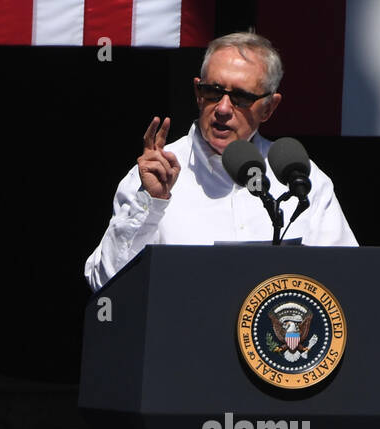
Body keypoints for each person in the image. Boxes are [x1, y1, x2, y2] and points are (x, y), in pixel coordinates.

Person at [83, 31, 357, 291]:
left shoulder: (301, 179)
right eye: (213, 92)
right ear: (197, 93)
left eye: (241, 97)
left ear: (270, 107)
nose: (223, 109)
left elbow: (348, 279)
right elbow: (105, 284)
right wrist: (150, 204)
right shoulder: (156, 174)